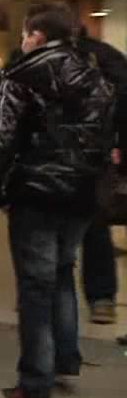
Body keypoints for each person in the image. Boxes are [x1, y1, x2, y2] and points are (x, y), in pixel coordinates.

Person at [0, 3, 115, 398]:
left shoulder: (23, 75)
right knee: (61, 271)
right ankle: (65, 358)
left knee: (35, 286)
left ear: (36, 36)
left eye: (24, 34)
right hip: (83, 192)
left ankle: (35, 383)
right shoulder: (95, 75)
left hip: (37, 190)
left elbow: (1, 137)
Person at [74, 27, 127, 325]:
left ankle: (47, 292)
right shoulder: (108, 57)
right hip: (99, 155)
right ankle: (102, 297)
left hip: (63, 158)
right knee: (95, 226)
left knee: (50, 229)